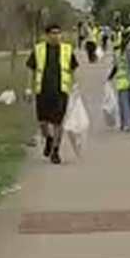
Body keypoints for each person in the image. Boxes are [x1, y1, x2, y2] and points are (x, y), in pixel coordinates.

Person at [26, 23, 79, 164]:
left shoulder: (67, 50)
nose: (56, 36)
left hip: (61, 91)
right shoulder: (38, 50)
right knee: (42, 122)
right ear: (47, 35)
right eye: (53, 33)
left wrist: (74, 86)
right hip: (42, 90)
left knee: (58, 122)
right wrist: (28, 88)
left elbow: (73, 68)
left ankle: (56, 150)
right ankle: (48, 138)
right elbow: (31, 69)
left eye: (58, 33)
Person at [108, 35, 130, 132]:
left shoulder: (117, 52)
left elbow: (115, 66)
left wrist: (110, 77)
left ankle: (125, 124)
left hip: (121, 80)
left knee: (124, 104)